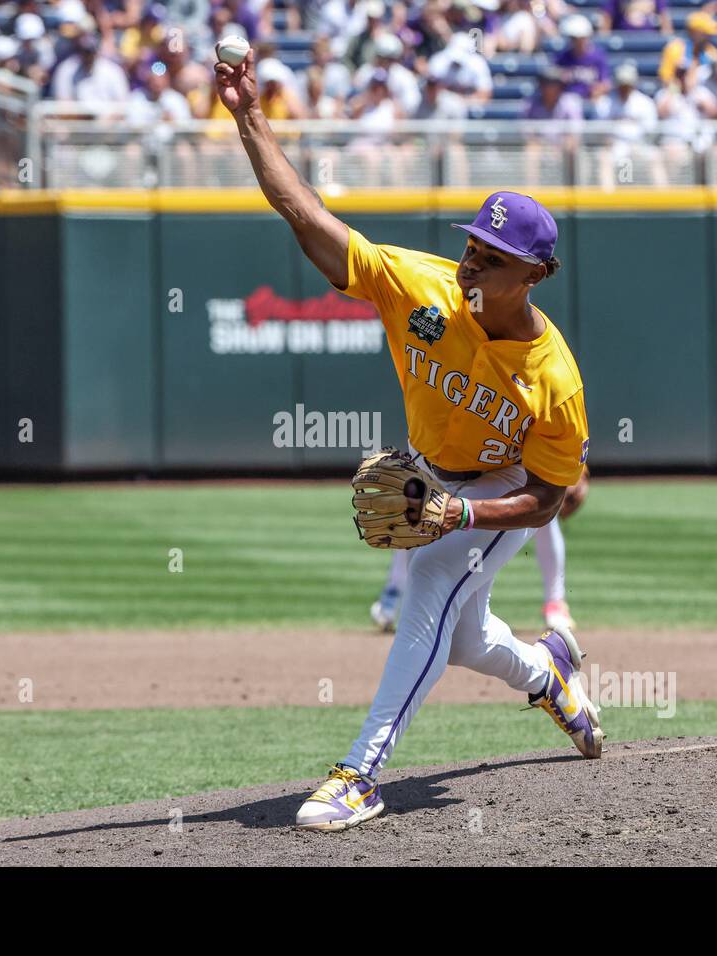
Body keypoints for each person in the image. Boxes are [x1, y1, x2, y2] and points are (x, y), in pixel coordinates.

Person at [214, 46, 603, 833]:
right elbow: (307, 216)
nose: (470, 264)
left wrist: (462, 517)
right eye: (469, 245)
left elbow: (548, 498)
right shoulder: (421, 287)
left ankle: (360, 774)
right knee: (461, 640)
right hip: (431, 472)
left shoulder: (554, 377)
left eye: (491, 260)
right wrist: (250, 118)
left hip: (494, 494)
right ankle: (550, 673)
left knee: (428, 587)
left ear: (534, 275)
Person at [372, 464, 590, 633]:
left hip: (511, 454)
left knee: (541, 509)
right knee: (421, 508)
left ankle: (555, 602)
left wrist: (574, 466)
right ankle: (393, 593)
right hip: (455, 448)